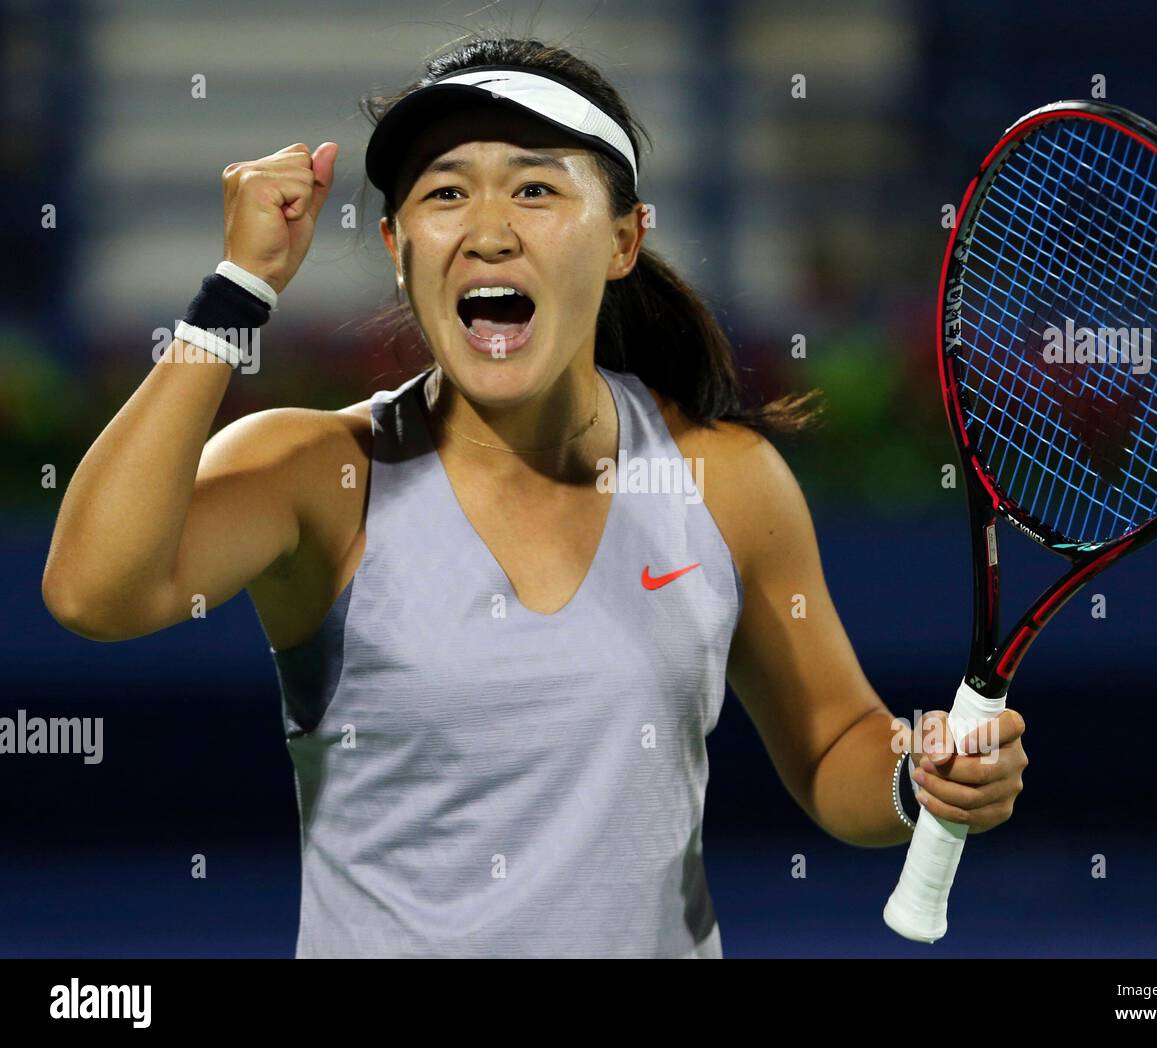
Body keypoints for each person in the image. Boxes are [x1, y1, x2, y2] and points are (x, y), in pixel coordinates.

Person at [41, 34, 1027, 958]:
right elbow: (93, 591)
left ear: (623, 240)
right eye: (445, 194)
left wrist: (914, 769)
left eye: (536, 189)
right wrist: (235, 290)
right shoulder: (322, 473)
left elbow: (831, 750)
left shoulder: (722, 476)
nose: (488, 231)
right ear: (397, 244)